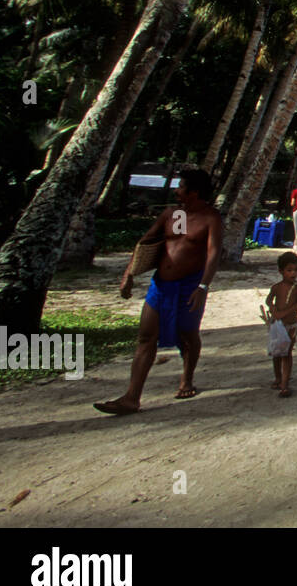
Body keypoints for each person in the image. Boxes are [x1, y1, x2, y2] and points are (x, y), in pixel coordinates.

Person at [94, 169, 222, 414]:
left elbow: (213, 253)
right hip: (161, 285)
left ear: (194, 192)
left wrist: (202, 286)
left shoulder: (209, 218)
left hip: (189, 285)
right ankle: (132, 397)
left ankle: (187, 378)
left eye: (181, 187)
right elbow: (147, 242)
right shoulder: (176, 215)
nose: (176, 191)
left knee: (188, 334)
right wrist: (128, 274)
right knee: (146, 337)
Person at [260, 251, 297, 397]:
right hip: (277, 325)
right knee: (276, 353)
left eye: (296, 270)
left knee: (286, 353)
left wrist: (284, 313)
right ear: (281, 271)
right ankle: (278, 378)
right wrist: (274, 311)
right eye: (289, 270)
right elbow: (268, 301)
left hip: (291, 325)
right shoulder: (276, 287)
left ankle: (284, 385)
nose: (293, 273)